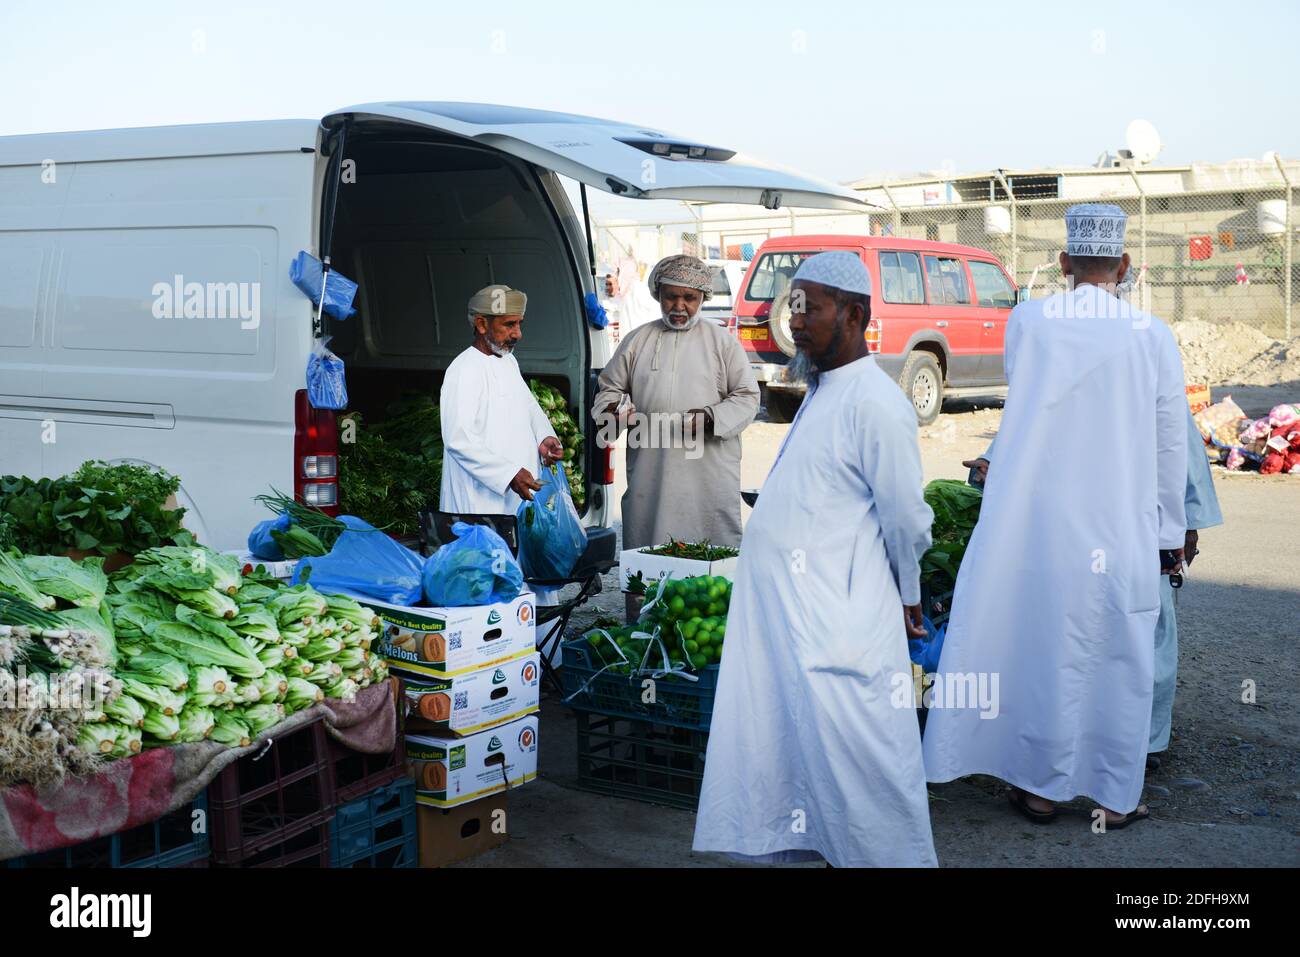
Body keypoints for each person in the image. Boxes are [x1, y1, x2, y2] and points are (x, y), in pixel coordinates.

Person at [923, 204, 1188, 829]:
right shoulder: (1150, 335)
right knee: (1115, 656)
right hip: (1119, 521)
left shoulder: (1029, 321)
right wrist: (1168, 533)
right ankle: (1115, 797)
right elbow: (1170, 440)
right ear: (1124, 266)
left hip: (1037, 520)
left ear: (1064, 262)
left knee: (1042, 646)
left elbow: (1034, 404)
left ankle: (1039, 790)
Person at [692, 252, 938, 868]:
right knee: (796, 762)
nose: (794, 322)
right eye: (792, 306)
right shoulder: (824, 389)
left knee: (863, 774)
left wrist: (910, 594)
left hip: (836, 624)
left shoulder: (878, 403)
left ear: (854, 315)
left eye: (811, 308)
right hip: (795, 624)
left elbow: (907, 520)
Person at [963, 406, 1222, 774]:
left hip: (1141, 529)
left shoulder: (1148, 371)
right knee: (1076, 634)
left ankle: (1143, 741)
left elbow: (1180, 445)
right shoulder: (1068, 367)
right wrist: (992, 461)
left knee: (1148, 630)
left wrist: (1189, 524)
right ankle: (1075, 738)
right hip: (1075, 530)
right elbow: (1032, 415)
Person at [593, 254, 759, 550]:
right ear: (659, 295)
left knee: (708, 569)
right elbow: (608, 389)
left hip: (707, 476)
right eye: (671, 297)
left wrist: (710, 418)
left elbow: (748, 397)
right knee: (650, 560)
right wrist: (614, 411)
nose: (679, 306)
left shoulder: (722, 343)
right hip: (650, 475)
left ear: (703, 298)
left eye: (689, 298)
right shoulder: (638, 340)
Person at [439, 284, 563, 515]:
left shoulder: (508, 361)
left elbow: (528, 406)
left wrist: (544, 436)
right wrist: (509, 474)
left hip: (515, 499)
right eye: (509, 324)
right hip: (478, 504)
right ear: (482, 324)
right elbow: (458, 439)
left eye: (519, 324)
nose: (518, 334)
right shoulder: (463, 370)